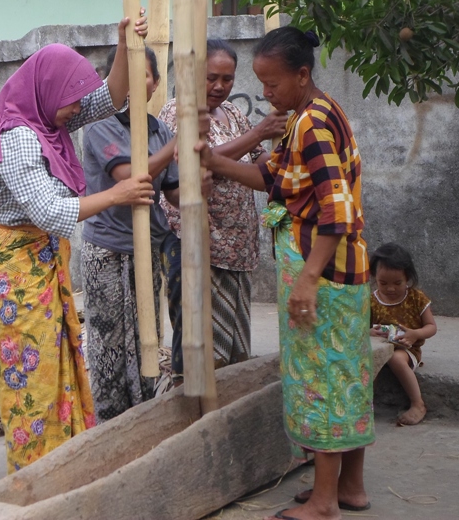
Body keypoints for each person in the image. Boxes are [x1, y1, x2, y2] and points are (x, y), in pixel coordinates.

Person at [197, 26, 374, 520]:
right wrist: (214, 160)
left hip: (329, 272)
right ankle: (350, 487)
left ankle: (322, 503)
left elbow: (335, 211)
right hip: (341, 271)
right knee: (347, 375)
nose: (266, 94)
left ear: (301, 75)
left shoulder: (313, 124)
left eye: (272, 84)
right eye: (262, 84)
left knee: (322, 380)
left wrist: (308, 278)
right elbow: (273, 180)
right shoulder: (308, 116)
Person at [0, 14, 154, 473]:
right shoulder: (18, 138)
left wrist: (120, 44)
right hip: (20, 277)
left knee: (59, 369)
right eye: (69, 102)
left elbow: (109, 99)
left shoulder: (50, 124)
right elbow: (51, 213)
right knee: (33, 379)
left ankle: (64, 463)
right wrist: (116, 195)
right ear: (47, 91)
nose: (76, 110)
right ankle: (34, 473)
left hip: (46, 265)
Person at [158, 39, 287, 380]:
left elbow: (259, 156)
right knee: (201, 349)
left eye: (227, 79)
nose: (219, 86)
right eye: (211, 78)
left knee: (232, 347)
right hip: (199, 243)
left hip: (237, 245)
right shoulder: (177, 111)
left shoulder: (231, 112)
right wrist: (260, 130)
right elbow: (200, 160)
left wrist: (282, 159)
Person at [81, 46, 185, 422]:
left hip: (147, 249)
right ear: (112, 82)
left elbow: (170, 190)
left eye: (146, 74)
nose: (136, 82)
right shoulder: (100, 126)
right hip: (107, 250)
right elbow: (130, 177)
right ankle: (109, 425)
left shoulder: (160, 130)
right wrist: (177, 144)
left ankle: (141, 420)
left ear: (155, 84)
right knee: (109, 345)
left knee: (146, 341)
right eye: (128, 74)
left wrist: (200, 174)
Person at [369, 242, 437, 426]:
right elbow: (362, 327)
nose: (390, 288)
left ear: (408, 277)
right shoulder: (371, 300)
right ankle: (364, 404)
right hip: (379, 348)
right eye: (383, 283)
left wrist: (415, 334)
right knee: (364, 359)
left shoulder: (416, 298)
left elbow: (431, 326)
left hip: (407, 348)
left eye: (397, 283)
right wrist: (369, 331)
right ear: (375, 277)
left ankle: (418, 403)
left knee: (396, 358)